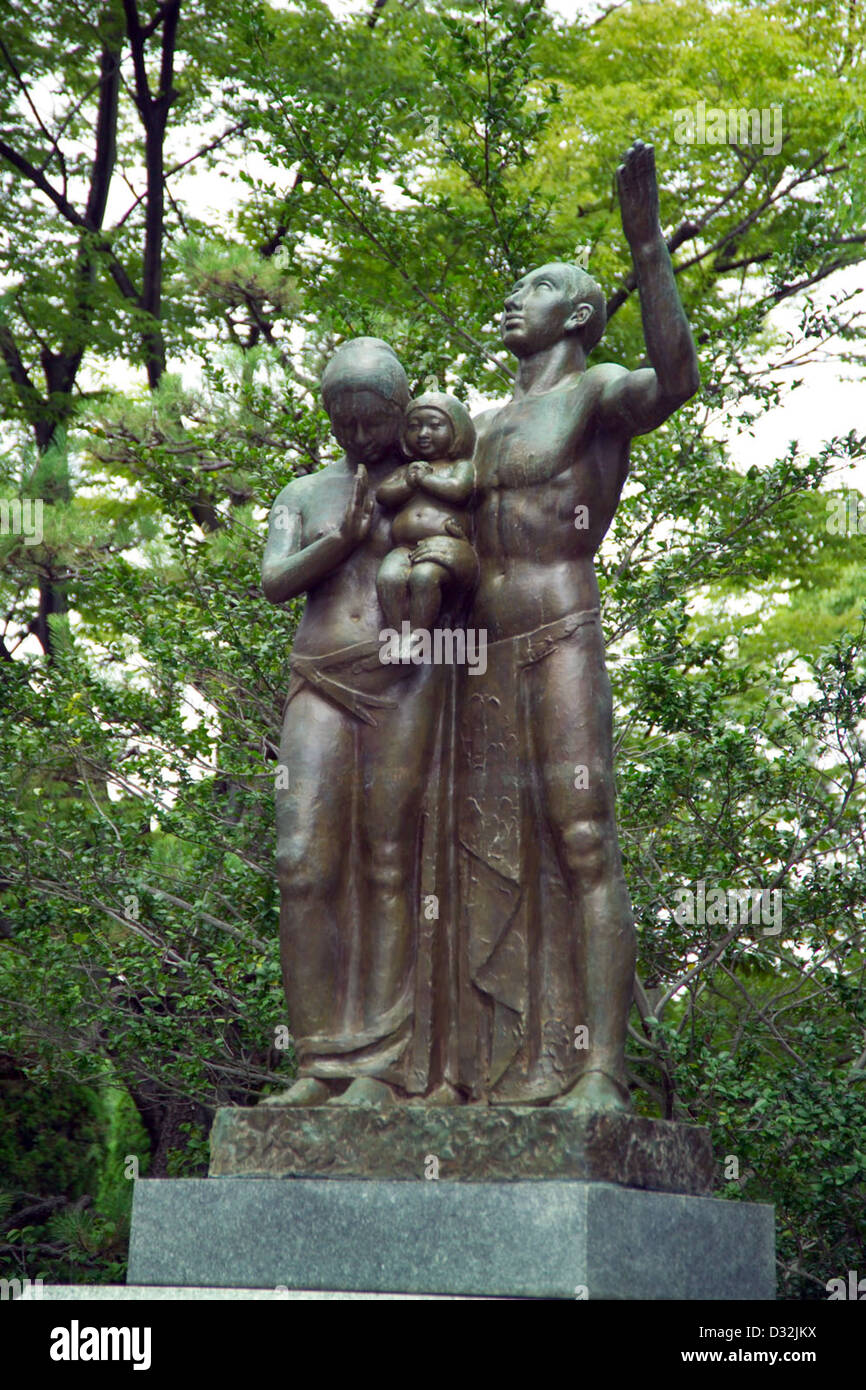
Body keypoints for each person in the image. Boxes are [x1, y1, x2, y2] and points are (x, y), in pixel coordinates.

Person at [411, 141, 701, 1109]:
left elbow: (676, 380)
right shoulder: (478, 421)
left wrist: (646, 247)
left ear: (575, 311)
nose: (510, 299)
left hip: (559, 632)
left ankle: (597, 1071)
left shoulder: (596, 391)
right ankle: (487, 1066)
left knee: (579, 838)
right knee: (482, 850)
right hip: (473, 654)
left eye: (531, 287)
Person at [260, 337, 455, 1105]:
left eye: (371, 419)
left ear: (401, 410)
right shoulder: (303, 491)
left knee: (389, 861)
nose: (357, 434)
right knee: (303, 862)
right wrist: (338, 539)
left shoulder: (430, 484)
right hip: (320, 680)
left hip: (404, 682)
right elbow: (274, 581)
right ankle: (319, 1059)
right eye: (342, 419)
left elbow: (468, 567)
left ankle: (384, 1062)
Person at [375, 391, 477, 633]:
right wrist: (408, 483)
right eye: (414, 427)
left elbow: (459, 490)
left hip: (441, 547)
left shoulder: (459, 466)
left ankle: (418, 634)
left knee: (423, 578)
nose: (423, 434)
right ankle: (398, 631)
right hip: (404, 548)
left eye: (435, 426)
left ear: (456, 430)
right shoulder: (408, 470)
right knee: (388, 578)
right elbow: (383, 494)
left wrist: (425, 480)